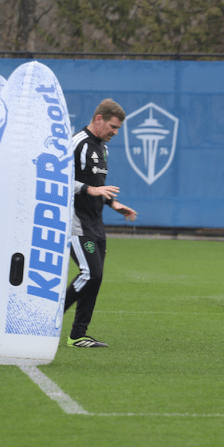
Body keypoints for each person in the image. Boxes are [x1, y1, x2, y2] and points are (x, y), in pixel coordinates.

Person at [63, 98, 138, 348]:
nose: (115, 133)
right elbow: (57, 181)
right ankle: (43, 319)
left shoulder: (102, 147)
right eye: (113, 127)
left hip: (96, 223)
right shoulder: (76, 143)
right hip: (75, 222)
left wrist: (113, 203)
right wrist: (90, 190)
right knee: (90, 273)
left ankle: (78, 335)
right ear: (99, 119)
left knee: (96, 278)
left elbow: (98, 187)